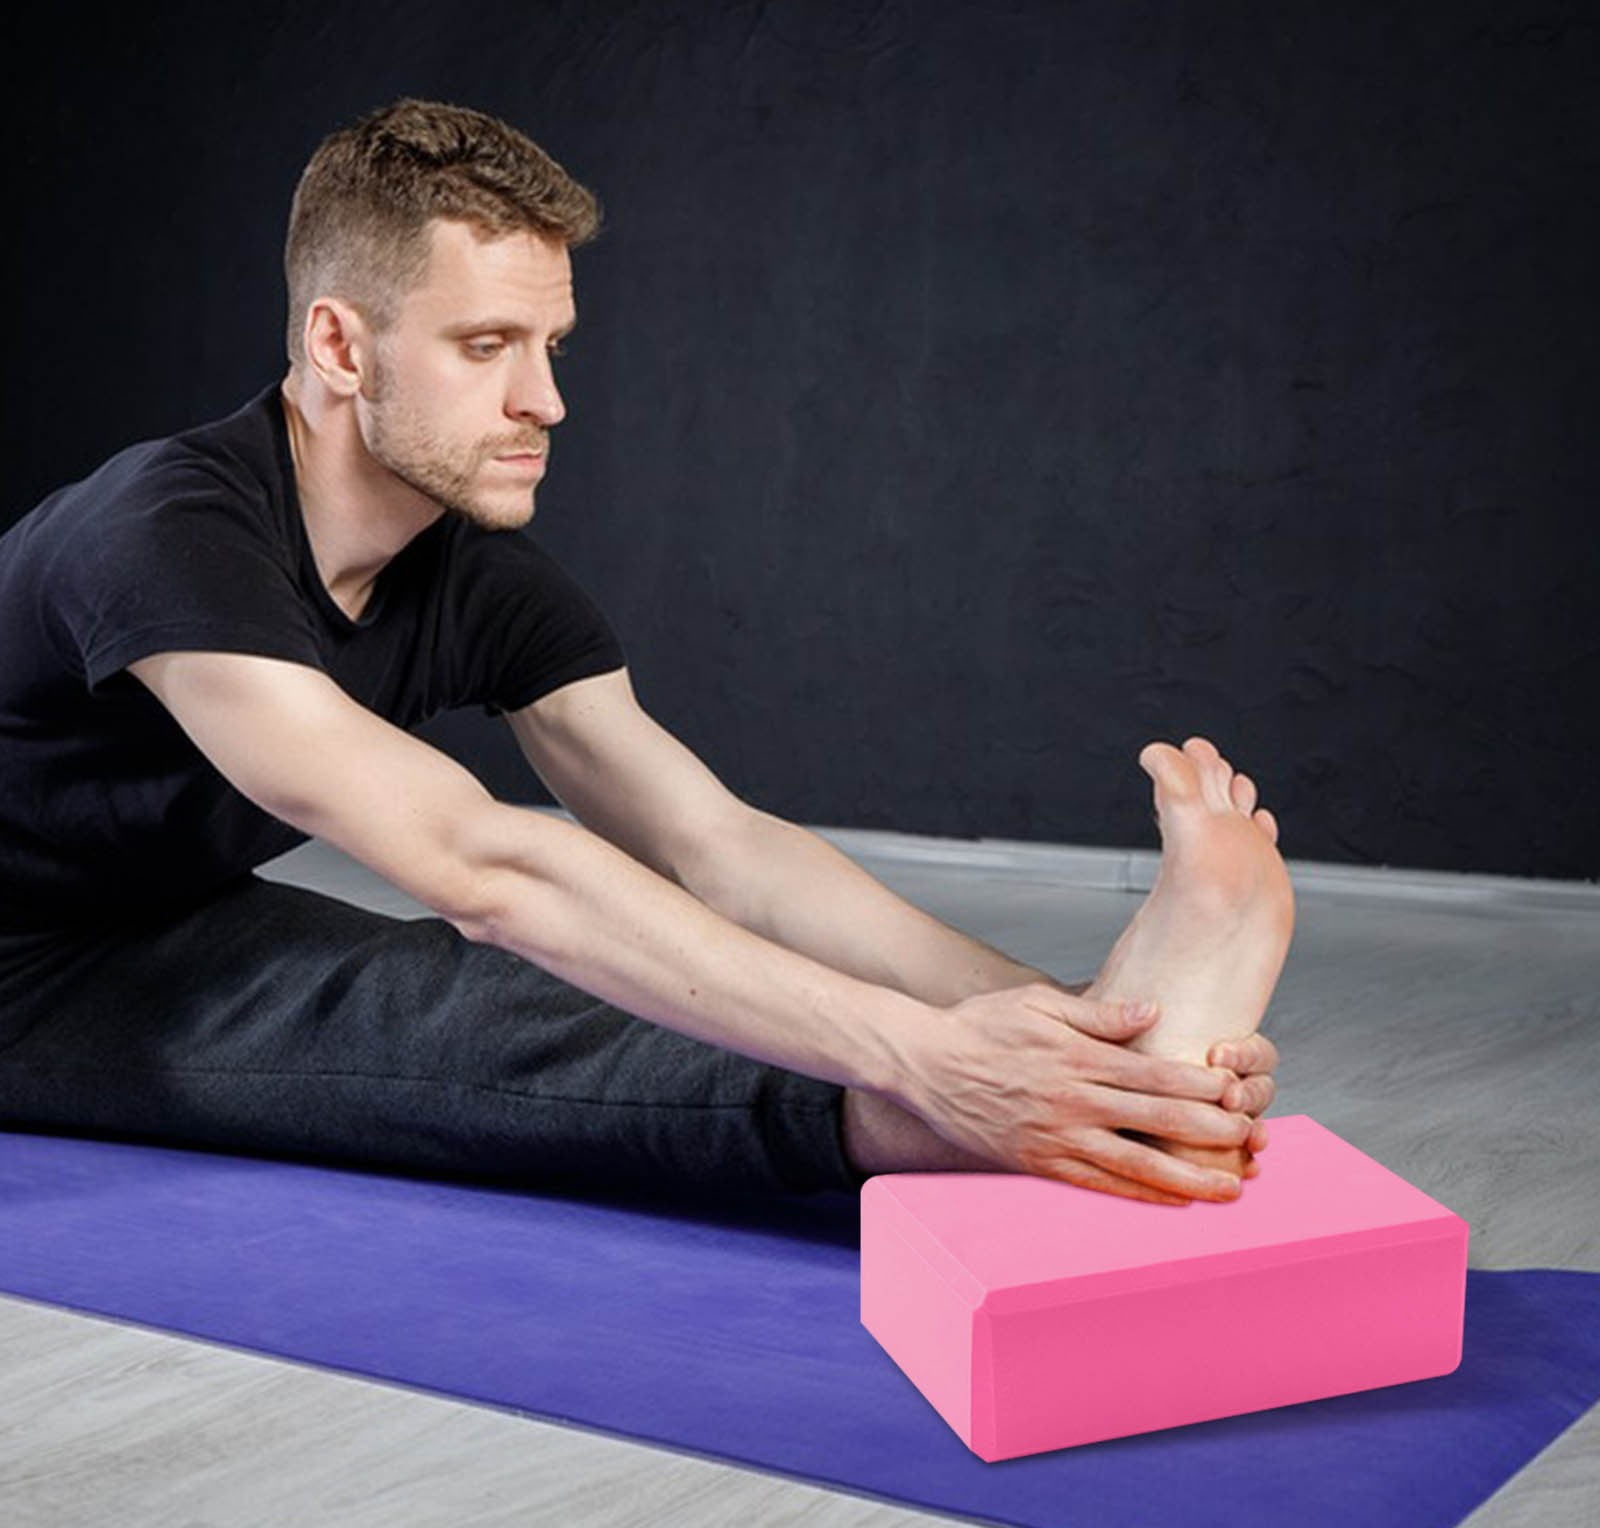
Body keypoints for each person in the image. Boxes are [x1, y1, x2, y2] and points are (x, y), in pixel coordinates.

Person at [0, 98, 1293, 1207]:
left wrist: (1066, 1016)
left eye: (549, 346)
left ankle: (1099, 1084)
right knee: (452, 1032)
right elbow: (480, 862)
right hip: (19, 973)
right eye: (485, 347)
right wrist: (918, 1054)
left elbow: (714, 845)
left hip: (161, 917)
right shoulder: (166, 536)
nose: (545, 401)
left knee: (597, 984)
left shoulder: (471, 576)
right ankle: (979, 1122)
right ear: (340, 346)